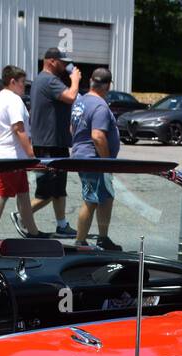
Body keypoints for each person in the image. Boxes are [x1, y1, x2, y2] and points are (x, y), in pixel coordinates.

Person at [0, 65, 39, 242]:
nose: (24, 87)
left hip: (7, 154)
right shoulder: (13, 100)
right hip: (12, 156)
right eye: (22, 83)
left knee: (22, 192)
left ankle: (33, 231)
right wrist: (31, 153)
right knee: (3, 192)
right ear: (12, 82)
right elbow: (18, 128)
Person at [27, 47, 81, 237]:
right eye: (62, 62)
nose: (65, 66)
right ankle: (22, 215)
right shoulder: (49, 80)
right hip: (50, 145)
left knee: (59, 190)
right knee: (48, 192)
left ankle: (62, 225)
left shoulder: (41, 80)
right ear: (51, 61)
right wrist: (75, 81)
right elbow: (71, 97)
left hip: (53, 143)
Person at [70, 67, 121, 251]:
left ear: (91, 80)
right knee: (91, 199)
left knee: (105, 197)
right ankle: (80, 241)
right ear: (108, 85)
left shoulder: (80, 102)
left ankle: (103, 238)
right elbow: (98, 136)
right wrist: (107, 162)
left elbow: (72, 129)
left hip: (84, 156)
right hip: (94, 159)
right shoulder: (100, 106)